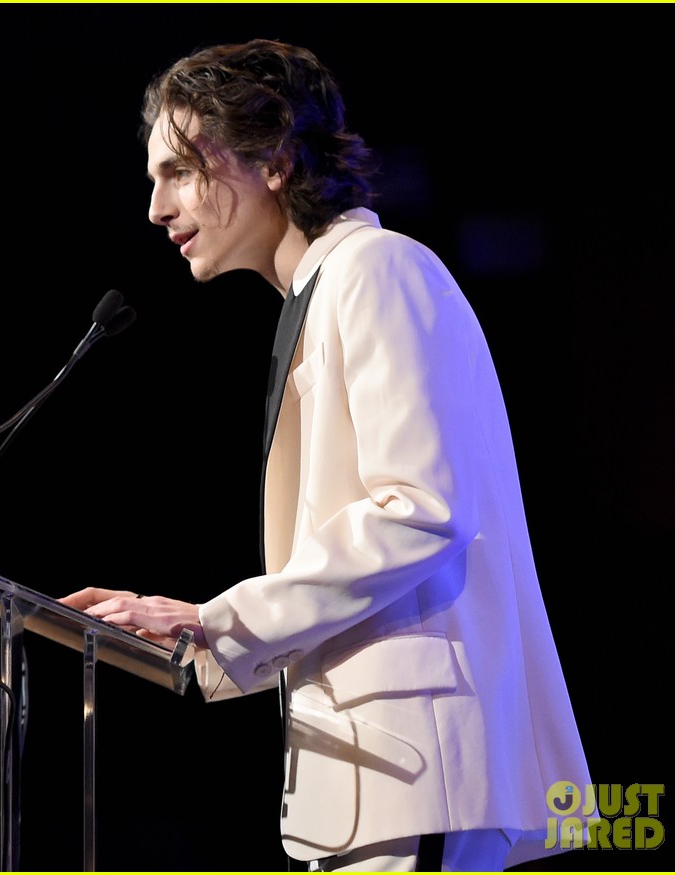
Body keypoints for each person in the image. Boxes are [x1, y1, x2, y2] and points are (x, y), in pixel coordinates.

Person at [60, 39, 591, 872]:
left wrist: (216, 616)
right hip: (370, 781)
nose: (157, 208)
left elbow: (420, 512)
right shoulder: (321, 297)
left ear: (273, 159)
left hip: (420, 769)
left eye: (181, 171)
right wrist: (202, 636)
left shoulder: (377, 270)